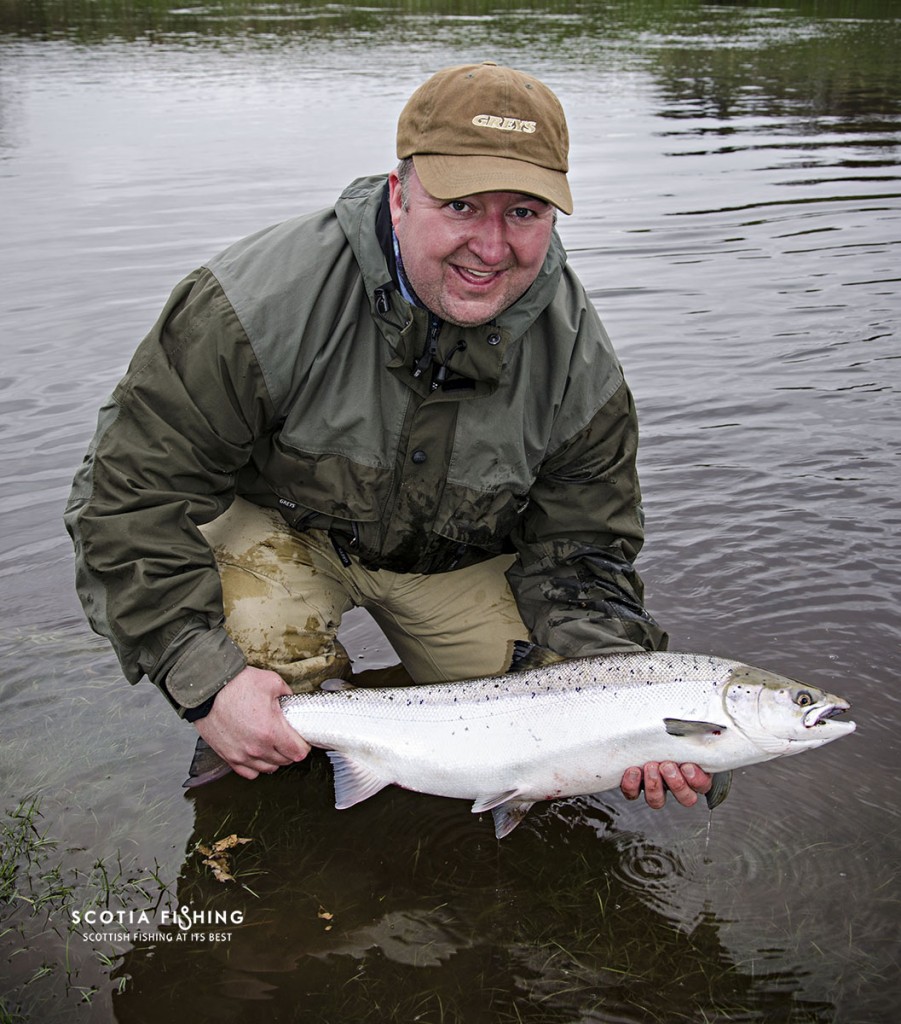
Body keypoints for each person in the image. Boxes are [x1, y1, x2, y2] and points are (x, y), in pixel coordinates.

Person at [65, 61, 711, 812]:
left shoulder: (579, 364)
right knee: (252, 649)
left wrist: (634, 706)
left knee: (558, 729)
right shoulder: (253, 306)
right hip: (285, 540)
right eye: (461, 205)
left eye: (524, 212)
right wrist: (202, 678)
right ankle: (254, 766)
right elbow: (128, 498)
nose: (491, 247)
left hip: (453, 569)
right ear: (400, 194)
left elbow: (583, 552)